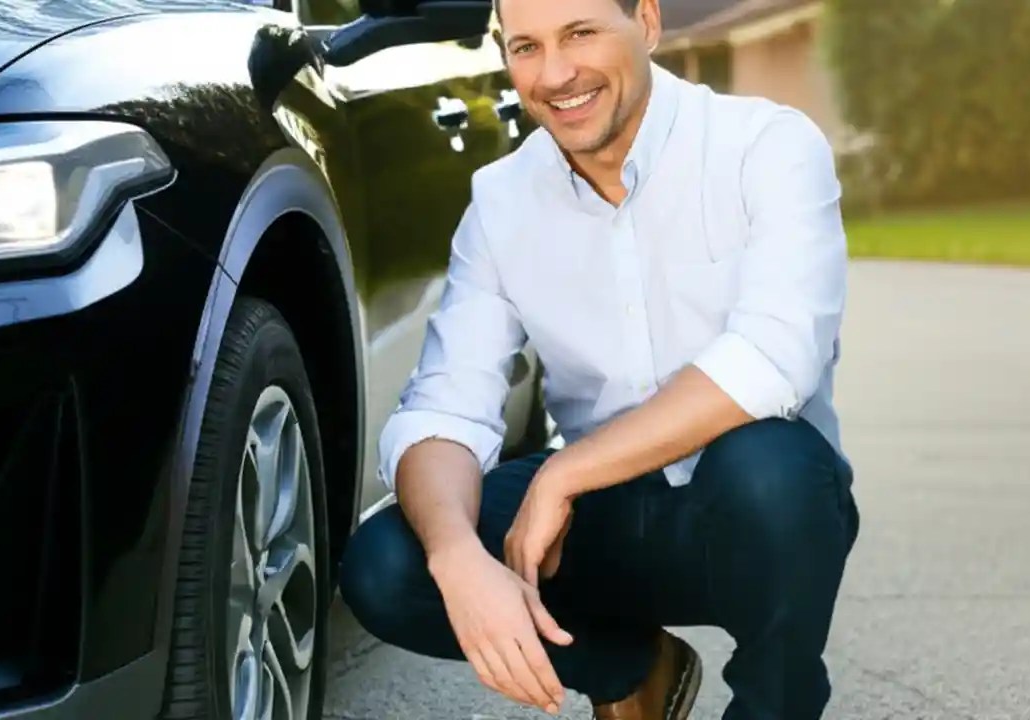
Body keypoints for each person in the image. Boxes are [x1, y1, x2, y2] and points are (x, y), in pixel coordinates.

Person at [337, 0, 860, 717]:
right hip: (594, 532)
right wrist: (456, 554)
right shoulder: (500, 202)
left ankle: (774, 701)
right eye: (526, 47)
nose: (555, 74)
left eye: (580, 32)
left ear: (646, 22)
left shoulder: (764, 146)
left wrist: (563, 473)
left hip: (749, 518)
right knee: (388, 562)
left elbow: (775, 356)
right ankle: (630, 671)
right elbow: (442, 408)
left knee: (773, 469)